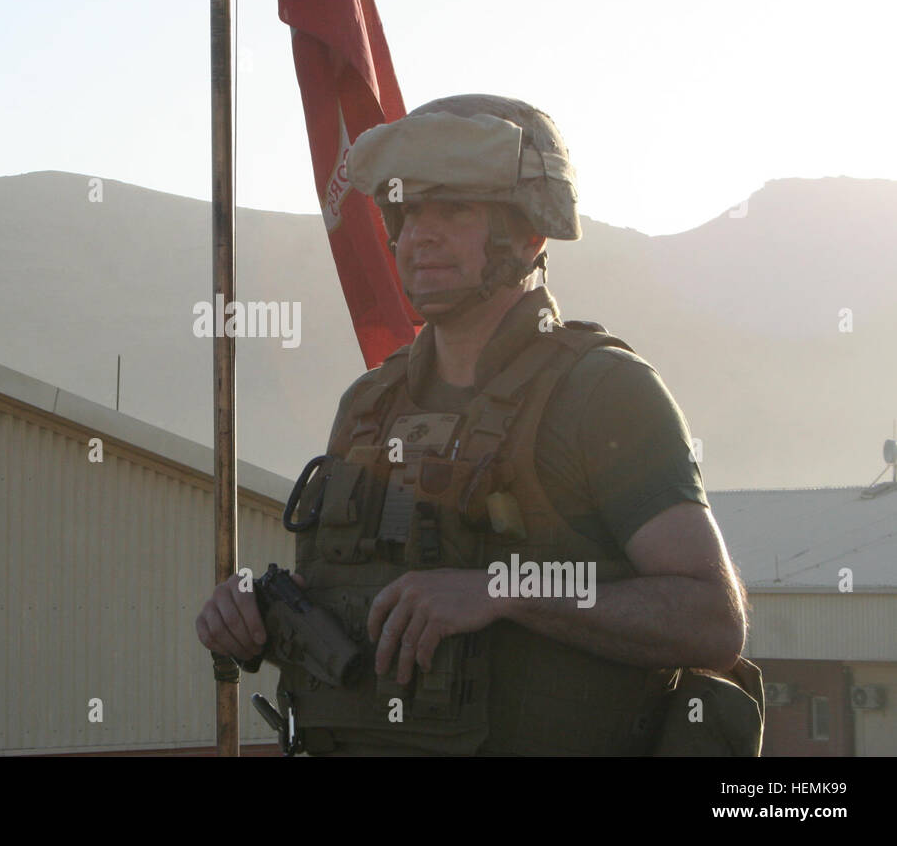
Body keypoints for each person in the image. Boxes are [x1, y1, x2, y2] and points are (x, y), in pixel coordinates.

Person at [195, 94, 753, 755]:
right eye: (405, 211)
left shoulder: (603, 393)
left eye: (454, 209)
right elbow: (347, 592)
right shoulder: (370, 405)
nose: (419, 233)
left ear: (529, 235)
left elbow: (712, 616)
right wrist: (253, 606)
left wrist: (504, 591)